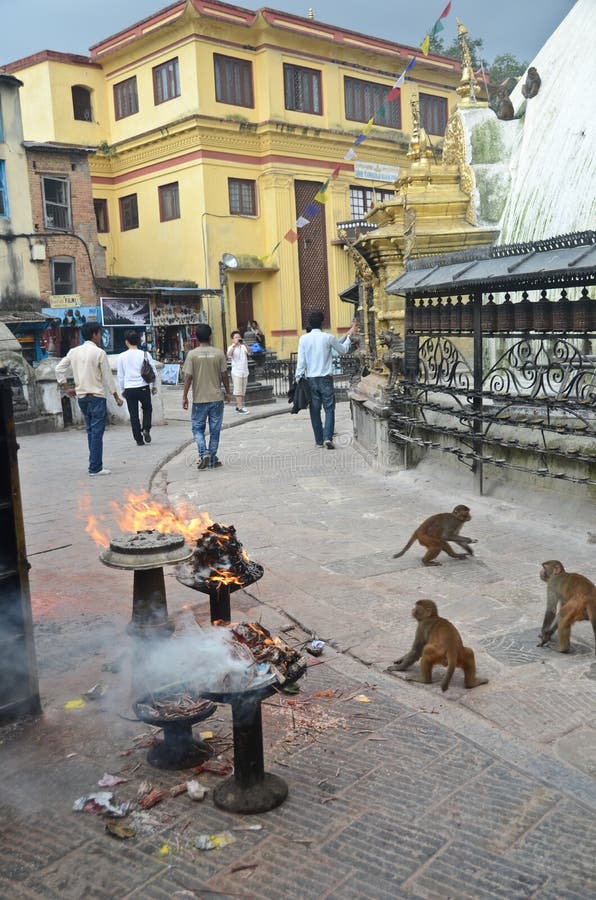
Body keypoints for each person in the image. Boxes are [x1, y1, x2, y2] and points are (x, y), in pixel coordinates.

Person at [55, 322, 124, 475]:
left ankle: (94, 463)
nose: (100, 336)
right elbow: (108, 377)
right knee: (97, 432)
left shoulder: (74, 352)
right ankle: (95, 467)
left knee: (91, 431)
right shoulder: (99, 353)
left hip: (82, 398)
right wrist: (116, 396)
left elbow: (58, 369)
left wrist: (66, 388)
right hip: (96, 397)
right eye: (99, 333)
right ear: (94, 334)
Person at [294, 310, 358, 449]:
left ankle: (318, 440)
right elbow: (342, 350)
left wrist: (298, 377)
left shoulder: (303, 339)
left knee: (314, 410)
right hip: (325, 379)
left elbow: (301, 361)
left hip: (310, 379)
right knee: (329, 409)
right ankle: (327, 437)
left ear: (310, 323)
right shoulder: (328, 338)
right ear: (322, 322)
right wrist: (349, 338)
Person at [182, 323, 231, 469]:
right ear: (210, 336)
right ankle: (211, 458)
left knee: (197, 429)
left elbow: (188, 377)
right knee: (215, 430)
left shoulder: (192, 355)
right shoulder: (219, 353)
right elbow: (224, 375)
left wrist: (184, 396)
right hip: (216, 398)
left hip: (199, 399)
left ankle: (204, 453)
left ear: (196, 338)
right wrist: (228, 392)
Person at [117, 330, 157, 446]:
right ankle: (146, 429)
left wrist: (122, 389)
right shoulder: (145, 354)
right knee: (147, 408)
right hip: (143, 386)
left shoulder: (122, 356)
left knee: (133, 415)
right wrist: (154, 386)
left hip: (129, 388)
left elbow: (121, 376)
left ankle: (138, 439)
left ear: (126, 342)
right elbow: (153, 371)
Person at [226, 330, 250, 414]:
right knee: (238, 390)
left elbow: (250, 352)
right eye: (236, 337)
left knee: (243, 390)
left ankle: (240, 405)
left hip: (245, 371)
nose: (238, 338)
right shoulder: (231, 347)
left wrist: (245, 343)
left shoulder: (243, 346)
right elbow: (228, 355)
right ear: (232, 339)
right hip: (236, 371)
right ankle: (240, 407)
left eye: (239, 337)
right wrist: (235, 345)